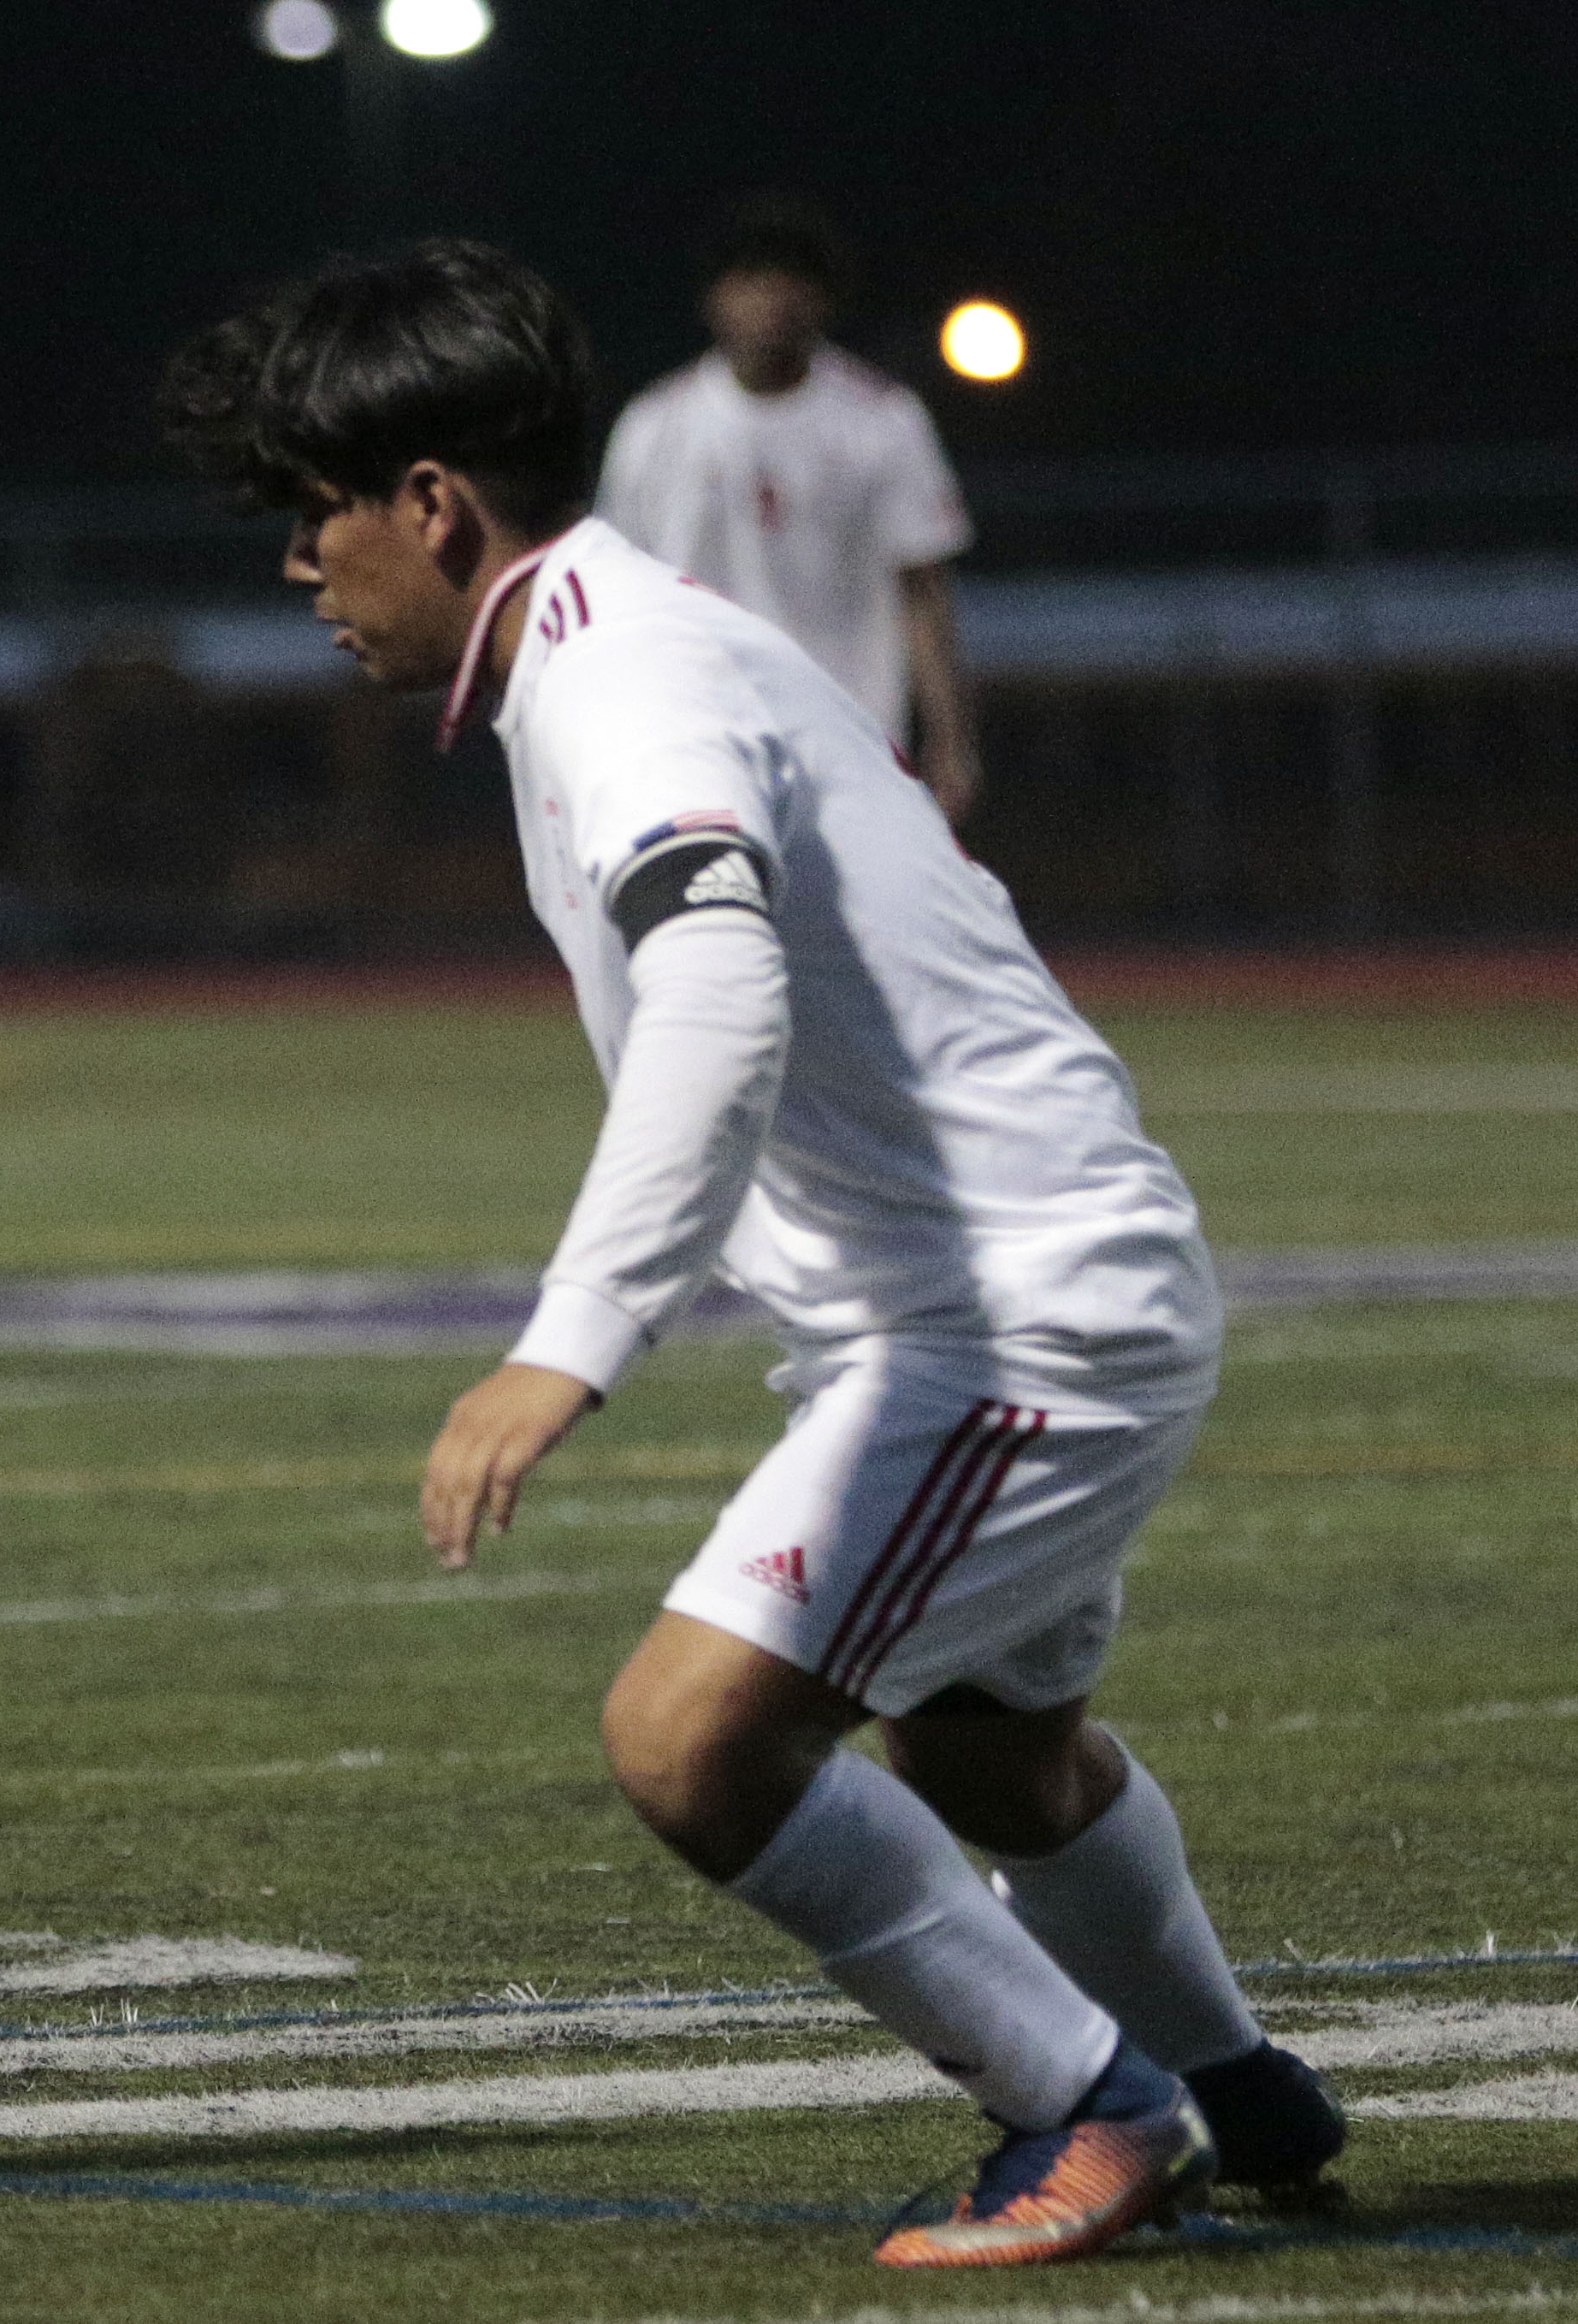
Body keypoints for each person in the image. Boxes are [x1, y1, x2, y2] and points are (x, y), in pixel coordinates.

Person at [160, 239, 1339, 2269]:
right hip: (1036, 1271)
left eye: (312, 508)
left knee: (687, 1737)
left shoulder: (617, 681)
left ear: (430, 502)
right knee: (986, 1751)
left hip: (1001, 1312)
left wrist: (571, 1339)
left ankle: (1091, 2108)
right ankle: (1236, 2080)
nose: (299, 561)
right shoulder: (628, 638)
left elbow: (715, 995)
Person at [597, 196, 988, 822]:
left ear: (825, 297)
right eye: (752, 277)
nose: (774, 297)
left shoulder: (884, 420)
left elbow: (923, 590)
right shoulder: (653, 428)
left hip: (853, 741)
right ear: (713, 297)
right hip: (702, 741)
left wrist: (952, 739)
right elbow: (620, 601)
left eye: (793, 279)